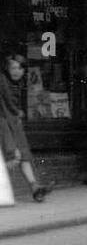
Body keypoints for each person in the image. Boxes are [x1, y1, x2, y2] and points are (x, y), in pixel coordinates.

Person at [1, 54, 48, 202]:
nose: (16, 71)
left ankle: (34, 187)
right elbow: (8, 103)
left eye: (20, 68)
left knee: (23, 155)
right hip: (3, 122)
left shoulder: (17, 84)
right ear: (7, 69)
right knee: (13, 156)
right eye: (13, 67)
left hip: (13, 122)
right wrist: (17, 113)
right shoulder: (2, 80)